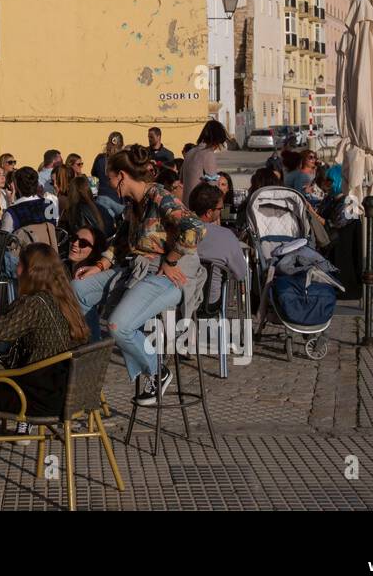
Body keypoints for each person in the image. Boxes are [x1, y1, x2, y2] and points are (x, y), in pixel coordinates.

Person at [0, 243, 90, 491]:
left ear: (32, 271)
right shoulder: (66, 301)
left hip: (37, 397)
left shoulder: (34, 304)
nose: (16, 270)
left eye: (20, 264)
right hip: (70, 392)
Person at [71, 147, 205, 405]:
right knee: (79, 287)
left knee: (118, 325)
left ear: (121, 175)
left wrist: (171, 259)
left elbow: (195, 228)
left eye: (109, 179)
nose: (109, 185)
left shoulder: (159, 196)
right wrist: (99, 266)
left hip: (167, 275)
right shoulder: (134, 204)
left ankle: (157, 369)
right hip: (138, 269)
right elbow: (121, 239)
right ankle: (94, 360)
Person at [187, 184, 248, 307]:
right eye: (220, 209)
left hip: (181, 299)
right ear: (209, 212)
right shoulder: (226, 236)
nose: (221, 212)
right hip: (209, 302)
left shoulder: (176, 230)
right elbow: (241, 273)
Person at [181, 120, 229, 205]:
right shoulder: (208, 154)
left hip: (186, 206)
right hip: (199, 209)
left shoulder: (190, 152)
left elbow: (181, 179)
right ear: (216, 140)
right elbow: (213, 186)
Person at [0, 167, 53, 238]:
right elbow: (53, 229)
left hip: (25, 248)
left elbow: (3, 239)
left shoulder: (12, 211)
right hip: (48, 247)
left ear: (16, 185)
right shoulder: (49, 204)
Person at [60, 175, 110, 239]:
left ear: (72, 192)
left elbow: (61, 234)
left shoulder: (72, 211)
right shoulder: (101, 207)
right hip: (102, 244)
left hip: (83, 245)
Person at [92, 131, 127, 223]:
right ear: (122, 145)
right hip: (118, 200)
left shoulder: (100, 158)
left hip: (101, 197)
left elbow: (94, 175)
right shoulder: (123, 160)